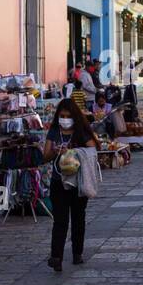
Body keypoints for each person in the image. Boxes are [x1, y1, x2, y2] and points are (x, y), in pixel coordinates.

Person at [42, 98, 97, 271]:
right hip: (58, 181)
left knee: (78, 218)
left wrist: (72, 152)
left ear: (74, 116)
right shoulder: (54, 132)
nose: (64, 119)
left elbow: (93, 150)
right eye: (62, 116)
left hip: (77, 182)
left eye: (68, 116)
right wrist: (55, 152)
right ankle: (56, 256)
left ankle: (77, 253)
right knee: (60, 220)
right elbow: (45, 156)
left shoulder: (82, 132)